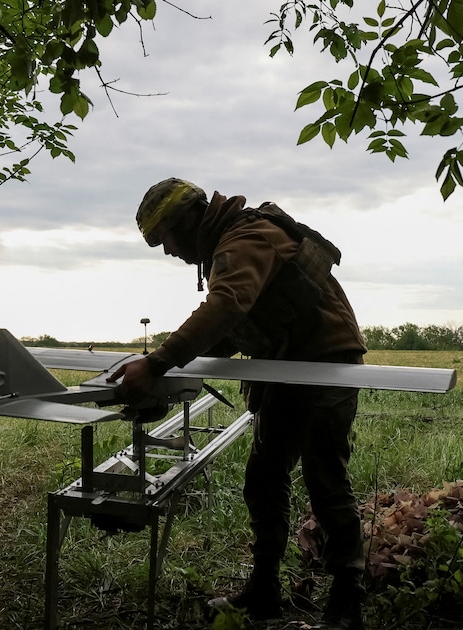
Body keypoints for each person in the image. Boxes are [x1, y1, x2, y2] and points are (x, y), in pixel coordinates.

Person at [108, 178, 368, 630]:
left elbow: (227, 307)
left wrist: (158, 363)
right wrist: (168, 371)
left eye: (165, 238)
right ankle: (264, 591)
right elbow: (231, 330)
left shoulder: (244, 238)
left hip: (327, 361)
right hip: (286, 363)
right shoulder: (228, 244)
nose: (168, 251)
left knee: (326, 480)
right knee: (264, 477)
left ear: (188, 220)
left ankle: (347, 603)